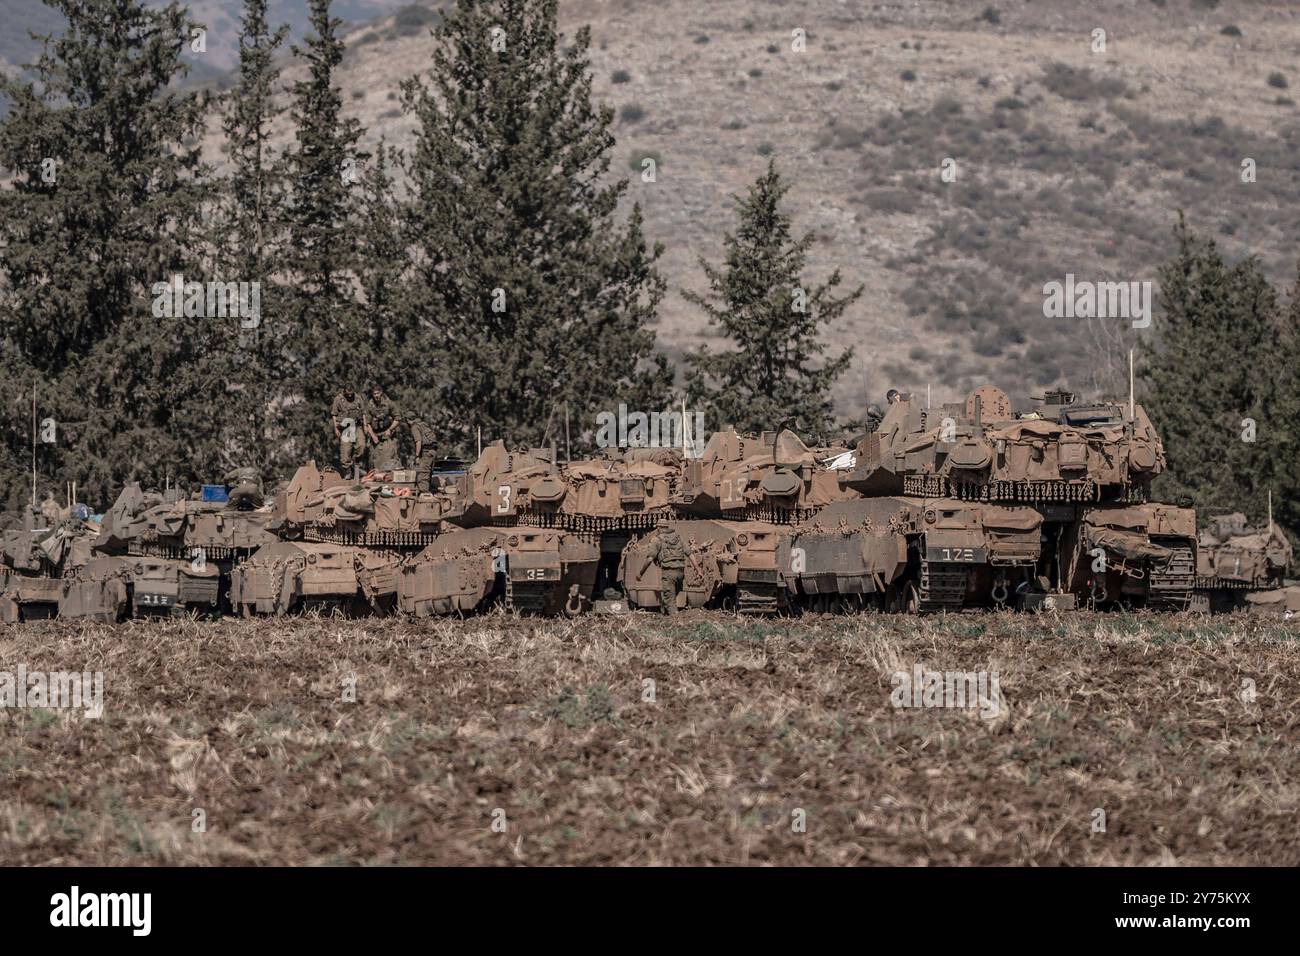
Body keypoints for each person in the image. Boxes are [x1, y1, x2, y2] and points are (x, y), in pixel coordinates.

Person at [646, 518, 686, 615]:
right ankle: (665, 615)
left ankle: (676, 621)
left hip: (668, 572)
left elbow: (650, 558)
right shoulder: (678, 538)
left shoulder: (657, 539)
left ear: (658, 528)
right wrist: (698, 570)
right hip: (681, 572)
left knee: (669, 599)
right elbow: (690, 554)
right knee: (671, 596)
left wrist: (640, 573)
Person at [331, 386, 367, 478]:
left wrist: (365, 426)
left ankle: (356, 466)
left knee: (361, 446)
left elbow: (363, 413)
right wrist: (336, 428)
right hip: (346, 427)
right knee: (346, 451)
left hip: (357, 426)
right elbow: (334, 414)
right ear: (344, 391)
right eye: (348, 392)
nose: (350, 394)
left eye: (351, 392)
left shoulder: (358, 398)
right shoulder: (338, 399)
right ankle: (347, 470)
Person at [365, 385, 400, 471]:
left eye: (378, 393)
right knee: (373, 459)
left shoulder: (389, 403)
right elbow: (367, 423)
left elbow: (398, 418)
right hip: (375, 434)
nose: (376, 395)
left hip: (387, 434)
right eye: (374, 394)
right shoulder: (370, 405)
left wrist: (390, 429)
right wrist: (373, 436)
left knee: (390, 456)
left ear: (381, 393)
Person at [407, 413, 437, 491]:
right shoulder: (423, 424)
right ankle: (428, 491)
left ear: (408, 420)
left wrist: (417, 456)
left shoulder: (415, 427)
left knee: (422, 474)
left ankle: (424, 495)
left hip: (426, 452)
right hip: (433, 451)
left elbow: (418, 441)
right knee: (428, 474)